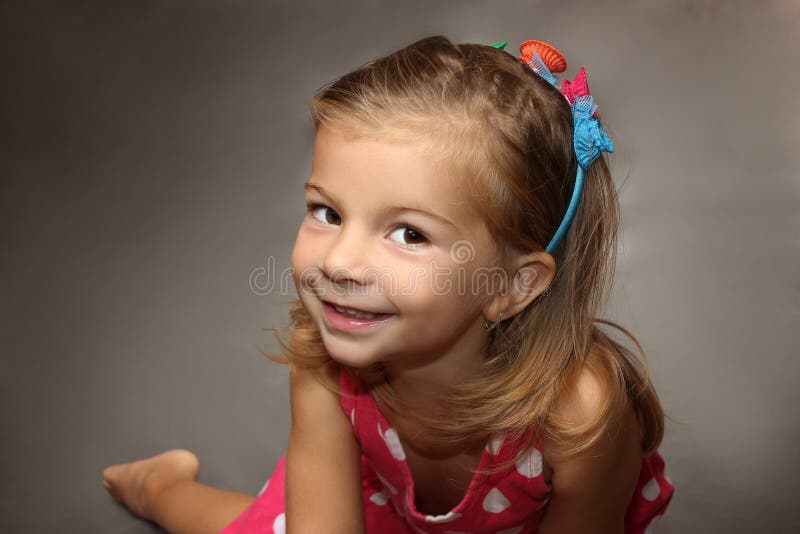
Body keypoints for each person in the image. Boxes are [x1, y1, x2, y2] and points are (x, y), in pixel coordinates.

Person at [102, 35, 675, 533]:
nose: (341, 262)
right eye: (327, 212)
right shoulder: (328, 370)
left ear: (511, 285)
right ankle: (160, 488)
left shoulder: (581, 412)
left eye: (408, 233)